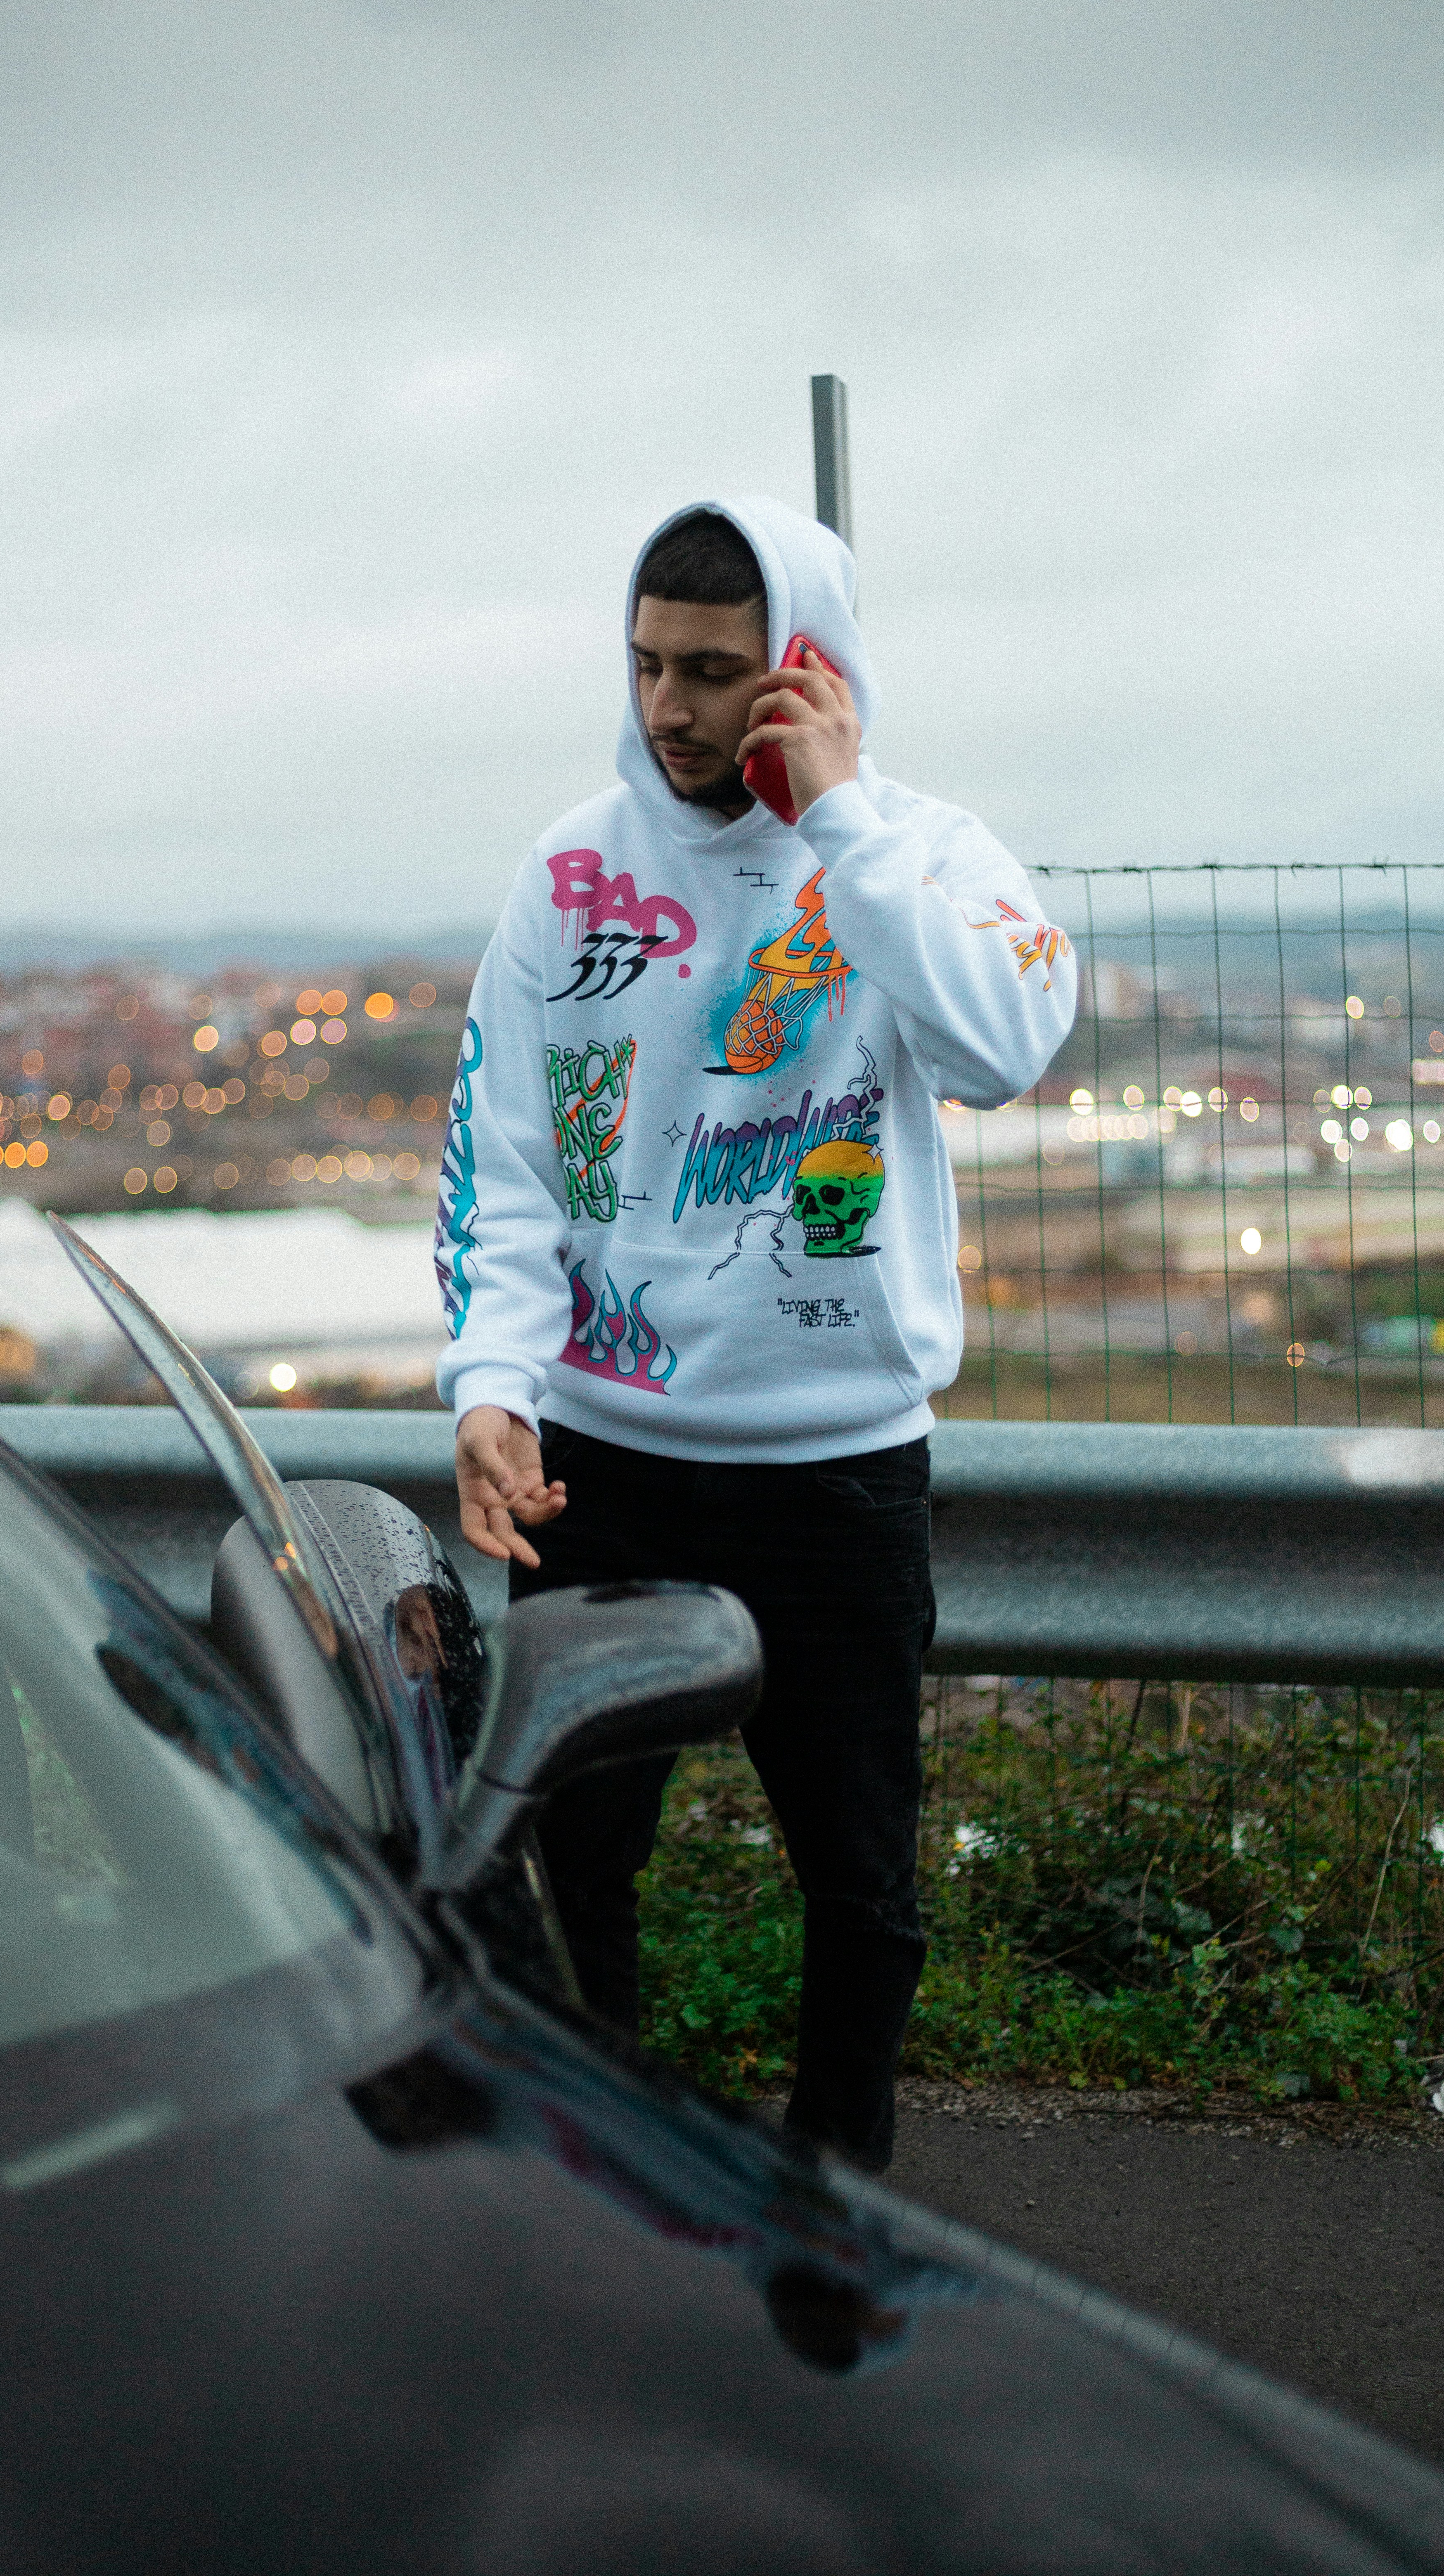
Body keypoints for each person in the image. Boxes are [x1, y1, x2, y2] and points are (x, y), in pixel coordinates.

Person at [433, 497, 1076, 2169]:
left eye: (713, 671)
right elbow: (507, 1157)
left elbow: (1005, 1047)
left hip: (833, 1465)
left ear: (806, 667)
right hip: (601, 1464)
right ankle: (599, 2183)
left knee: (859, 1885)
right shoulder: (570, 873)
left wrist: (840, 821)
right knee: (573, 1869)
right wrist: (493, 1383)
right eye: (647, 663)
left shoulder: (921, 855)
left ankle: (834, 2207)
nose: (668, 706)